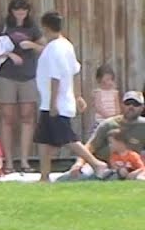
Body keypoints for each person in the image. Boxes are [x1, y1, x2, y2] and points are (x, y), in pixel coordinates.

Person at [34, 11, 107, 182]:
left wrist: (53, 104)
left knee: (68, 138)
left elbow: (55, 78)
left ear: (45, 27)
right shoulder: (66, 45)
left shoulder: (53, 49)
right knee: (45, 140)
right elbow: (75, 71)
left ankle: (96, 164)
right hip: (55, 101)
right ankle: (44, 176)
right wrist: (77, 96)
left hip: (55, 102)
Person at [0, 0, 43, 172]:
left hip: (28, 76)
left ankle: (25, 161)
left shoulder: (33, 27)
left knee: (27, 117)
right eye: (17, 9)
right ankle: (9, 162)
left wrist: (32, 45)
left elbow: (44, 48)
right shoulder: (4, 25)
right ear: (11, 10)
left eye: (23, 9)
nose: (20, 12)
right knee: (7, 118)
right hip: (7, 75)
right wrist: (9, 55)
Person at [57, 90, 145, 180]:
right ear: (122, 105)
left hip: (128, 166)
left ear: (142, 107)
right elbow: (90, 146)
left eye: (136, 104)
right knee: (76, 177)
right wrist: (79, 163)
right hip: (100, 164)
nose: (131, 107)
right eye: (128, 103)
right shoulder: (109, 124)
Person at [89, 63, 119, 133]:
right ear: (100, 80)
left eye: (111, 79)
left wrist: (116, 117)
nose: (109, 82)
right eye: (107, 79)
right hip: (101, 121)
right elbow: (99, 107)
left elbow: (117, 107)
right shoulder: (98, 92)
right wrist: (108, 116)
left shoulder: (115, 93)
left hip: (113, 120)